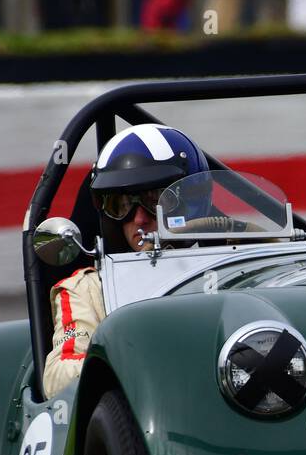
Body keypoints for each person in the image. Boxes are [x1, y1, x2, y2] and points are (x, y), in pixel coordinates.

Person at [42, 123, 209, 396]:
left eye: (154, 199)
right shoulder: (90, 289)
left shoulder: (238, 264)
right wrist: (136, 358)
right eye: (122, 204)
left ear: (190, 201)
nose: (139, 219)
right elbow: (59, 378)